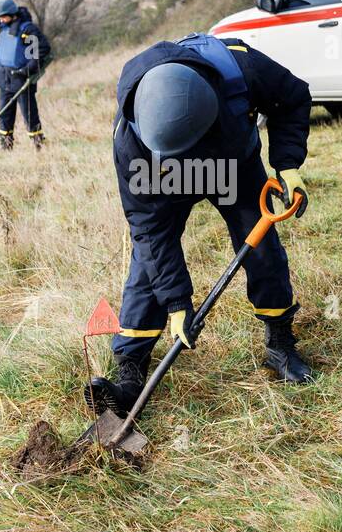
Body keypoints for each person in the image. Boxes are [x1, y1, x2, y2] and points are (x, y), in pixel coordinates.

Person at [87, 33, 313, 418]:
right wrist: (177, 303)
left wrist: (288, 165)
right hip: (159, 177)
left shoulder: (240, 67)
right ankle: (130, 372)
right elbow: (151, 231)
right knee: (148, 263)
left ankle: (280, 343)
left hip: (232, 165)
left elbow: (291, 96)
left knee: (261, 246)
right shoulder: (130, 141)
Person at [0, 0, 51, 149]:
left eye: (3, 17)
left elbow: (42, 49)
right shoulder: (2, 28)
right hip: (4, 80)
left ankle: (39, 145)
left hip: (22, 80)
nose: (0, 19)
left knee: (29, 115)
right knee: (4, 116)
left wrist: (27, 70)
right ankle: (6, 145)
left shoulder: (27, 29)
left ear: (12, 14)